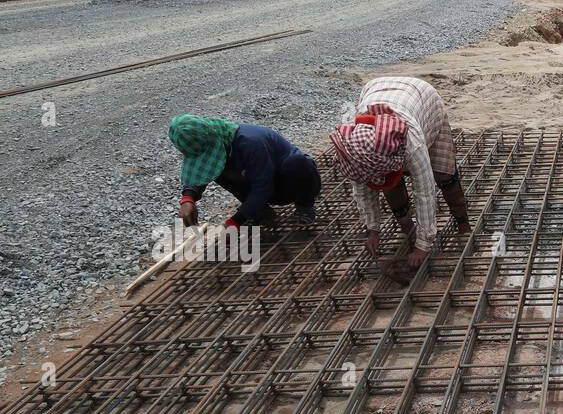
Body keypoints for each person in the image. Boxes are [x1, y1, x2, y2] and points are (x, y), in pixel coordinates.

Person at [331, 76, 471, 285]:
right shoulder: (356, 151)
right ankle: (409, 231)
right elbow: (363, 188)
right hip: (377, 89)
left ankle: (463, 224)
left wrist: (423, 246)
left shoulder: (412, 142)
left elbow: (425, 192)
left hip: (424, 100)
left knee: (444, 174)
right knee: (389, 181)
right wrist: (373, 230)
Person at [170, 115, 320, 229]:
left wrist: (235, 222)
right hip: (258, 182)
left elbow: (263, 187)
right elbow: (202, 170)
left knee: (299, 163)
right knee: (218, 169)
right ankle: (260, 211)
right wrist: (188, 198)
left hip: (284, 182)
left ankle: (304, 206)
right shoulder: (214, 140)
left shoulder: (250, 143)